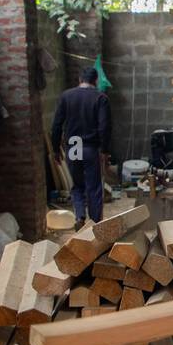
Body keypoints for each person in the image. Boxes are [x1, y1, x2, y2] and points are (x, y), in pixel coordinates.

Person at [51, 66, 112, 226]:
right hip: (90, 148)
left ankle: (79, 216)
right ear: (96, 80)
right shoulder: (101, 98)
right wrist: (105, 151)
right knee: (94, 186)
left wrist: (55, 149)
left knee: (77, 185)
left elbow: (56, 125)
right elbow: (104, 126)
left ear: (80, 80)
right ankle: (95, 222)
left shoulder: (66, 96)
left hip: (73, 147)